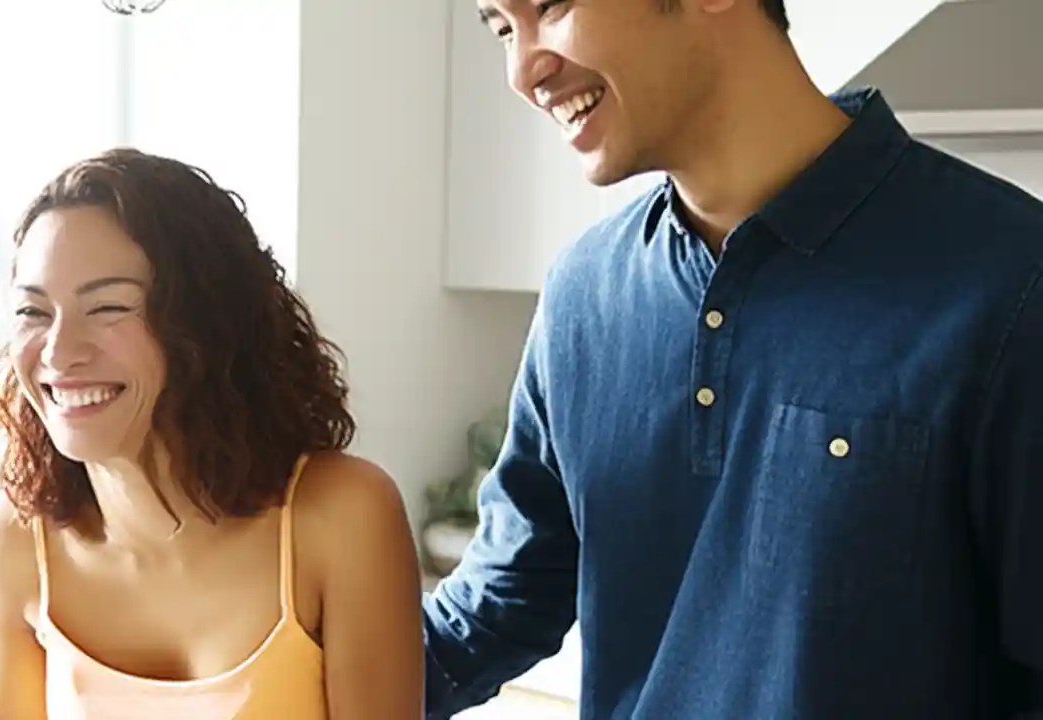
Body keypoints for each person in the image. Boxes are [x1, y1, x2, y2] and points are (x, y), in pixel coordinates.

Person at [422, 1, 1043, 718]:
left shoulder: (1011, 287)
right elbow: (499, 603)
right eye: (502, 27)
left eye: (552, 6)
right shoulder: (583, 294)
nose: (523, 69)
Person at [0, 148, 423, 720]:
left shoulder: (342, 516)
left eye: (108, 307)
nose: (59, 351)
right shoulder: (13, 544)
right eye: (33, 313)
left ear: (205, 323)